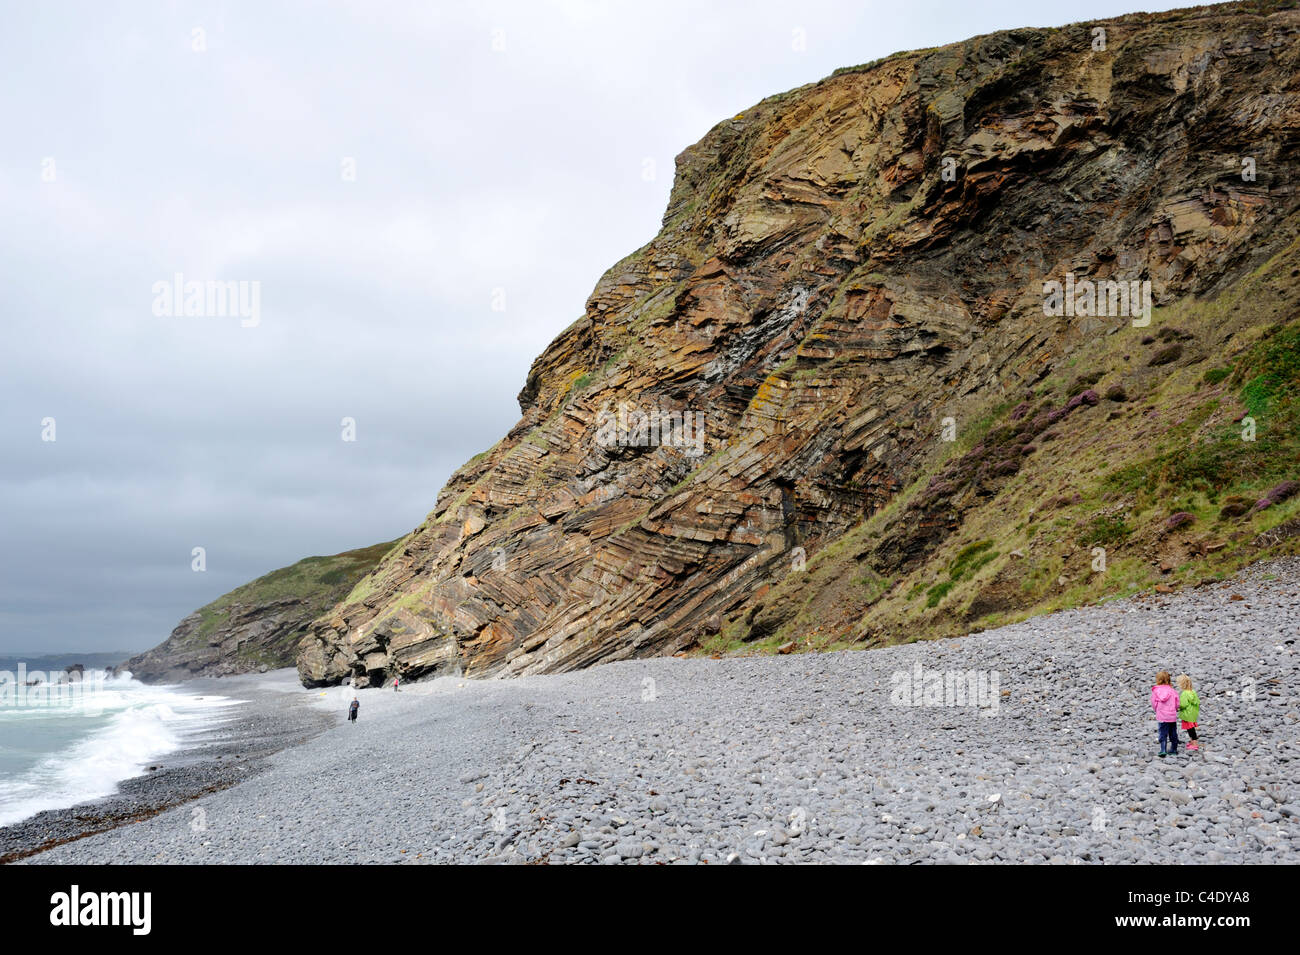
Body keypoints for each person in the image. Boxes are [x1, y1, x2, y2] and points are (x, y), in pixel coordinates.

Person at [1150, 670, 1180, 757]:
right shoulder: (1172, 691)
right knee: (1173, 733)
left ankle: (1163, 749)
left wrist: (1157, 710)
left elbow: (1153, 703)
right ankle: (1173, 749)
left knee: (1162, 733)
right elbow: (1177, 703)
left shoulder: (1156, 691)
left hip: (1162, 716)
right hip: (1171, 716)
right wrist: (1175, 709)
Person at [1177, 674, 1201, 751]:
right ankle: (1192, 741)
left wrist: (1178, 706)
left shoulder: (1184, 693)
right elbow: (1197, 701)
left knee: (1190, 729)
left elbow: (1183, 704)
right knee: (1191, 728)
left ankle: (1194, 743)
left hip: (1187, 714)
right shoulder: (1193, 692)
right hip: (1193, 714)